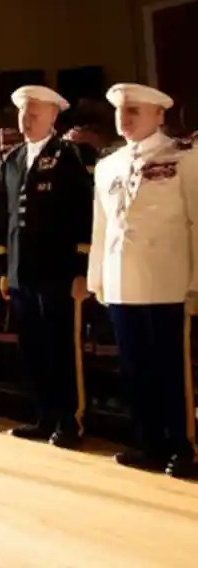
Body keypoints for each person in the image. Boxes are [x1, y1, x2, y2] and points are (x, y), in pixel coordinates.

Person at [88, 83, 197, 479]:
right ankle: (148, 442)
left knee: (172, 367)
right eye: (120, 110)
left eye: (134, 110)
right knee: (135, 367)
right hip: (122, 280)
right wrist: (97, 277)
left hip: (169, 280)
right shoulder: (108, 165)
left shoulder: (185, 158)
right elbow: (102, 227)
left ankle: (182, 445)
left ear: (160, 115)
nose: (125, 117)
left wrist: (196, 283)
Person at [0, 85, 93, 448]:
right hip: (22, 270)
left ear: (53, 115)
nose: (27, 118)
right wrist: (4, 266)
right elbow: (1, 217)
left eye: (35, 111)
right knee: (32, 347)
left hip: (58, 271)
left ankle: (69, 420)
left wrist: (81, 268)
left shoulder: (69, 155)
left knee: (60, 347)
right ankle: (43, 416)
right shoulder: (13, 159)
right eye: (22, 112)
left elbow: (84, 213)